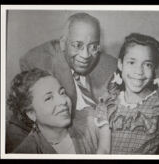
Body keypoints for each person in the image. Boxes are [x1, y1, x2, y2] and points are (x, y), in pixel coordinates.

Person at [6, 12, 117, 152]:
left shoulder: (111, 66)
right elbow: (19, 126)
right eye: (77, 45)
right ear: (63, 43)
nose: (86, 55)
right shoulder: (39, 62)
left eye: (93, 46)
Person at [94, 33, 159, 154]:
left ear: (154, 69)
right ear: (120, 64)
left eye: (147, 64)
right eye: (131, 62)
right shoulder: (109, 104)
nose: (139, 71)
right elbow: (103, 150)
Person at [7, 68, 110, 154]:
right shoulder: (26, 152)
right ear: (31, 114)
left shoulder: (91, 122)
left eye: (62, 92)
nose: (63, 101)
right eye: (48, 98)